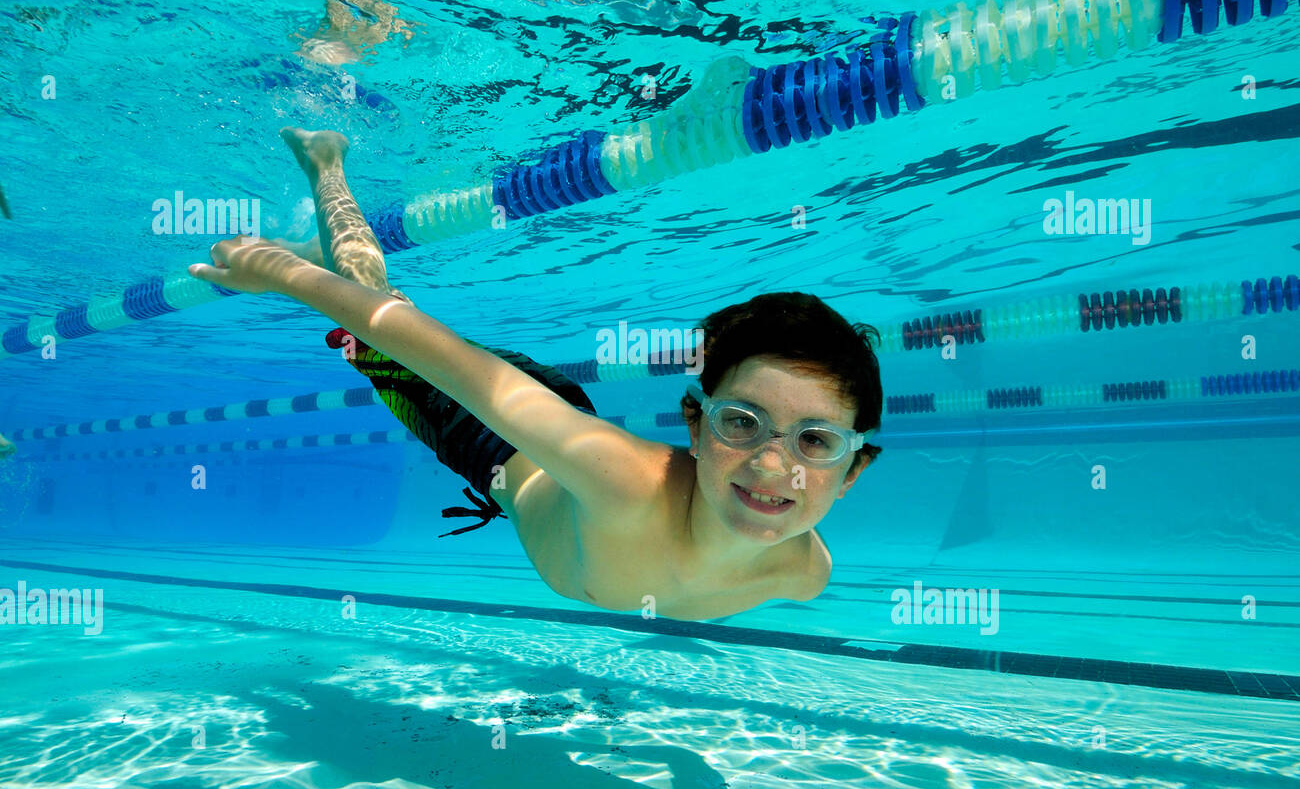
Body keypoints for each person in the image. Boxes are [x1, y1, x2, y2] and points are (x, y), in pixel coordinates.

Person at [190, 128, 883, 621]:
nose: (771, 465)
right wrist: (285, 276)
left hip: (561, 436)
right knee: (380, 328)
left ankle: (331, 222)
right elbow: (427, 349)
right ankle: (326, 166)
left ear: (853, 473)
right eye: (742, 421)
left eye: (815, 441)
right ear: (696, 425)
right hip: (496, 438)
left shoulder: (803, 571)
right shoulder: (624, 482)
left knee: (387, 320)